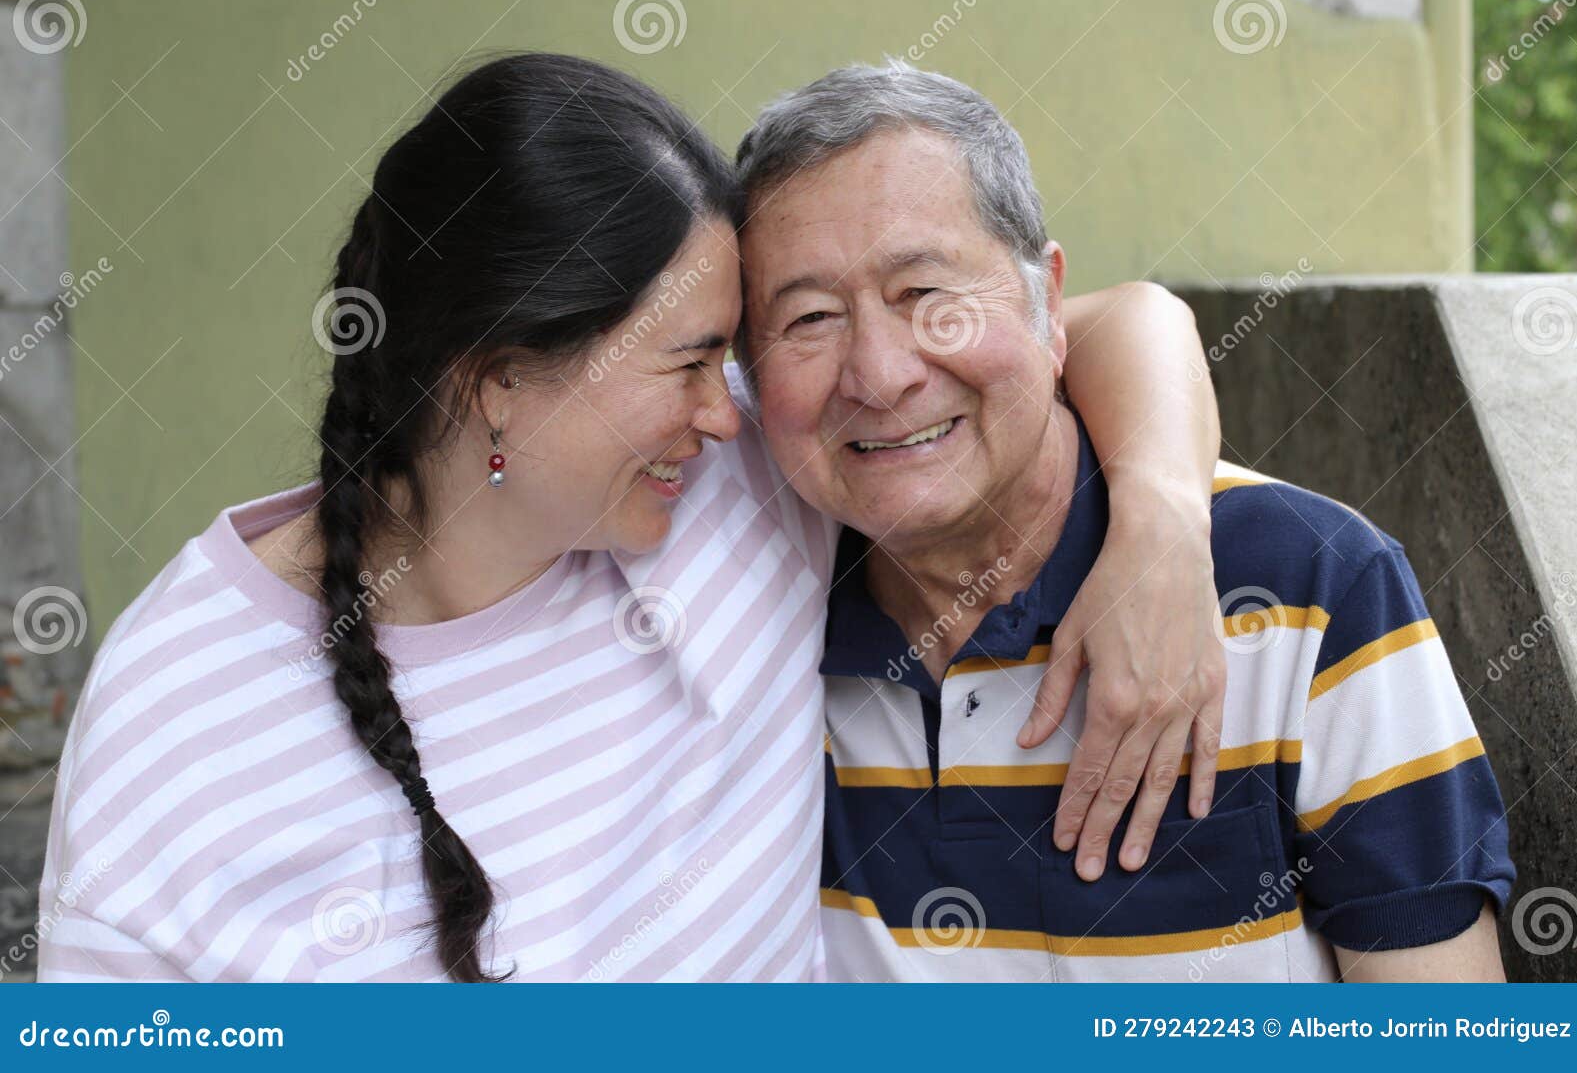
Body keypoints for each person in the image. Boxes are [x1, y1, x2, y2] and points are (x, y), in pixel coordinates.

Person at [35, 54, 1223, 981]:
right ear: (497, 375)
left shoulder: (739, 496)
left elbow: (1112, 323)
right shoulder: (178, 717)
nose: (729, 409)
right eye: (692, 360)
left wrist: (1163, 528)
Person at [734, 62, 1515, 981]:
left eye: (927, 295)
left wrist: (1163, 531)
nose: (879, 373)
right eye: (812, 318)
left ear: (1047, 304)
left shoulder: (1307, 585)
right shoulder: (758, 601)